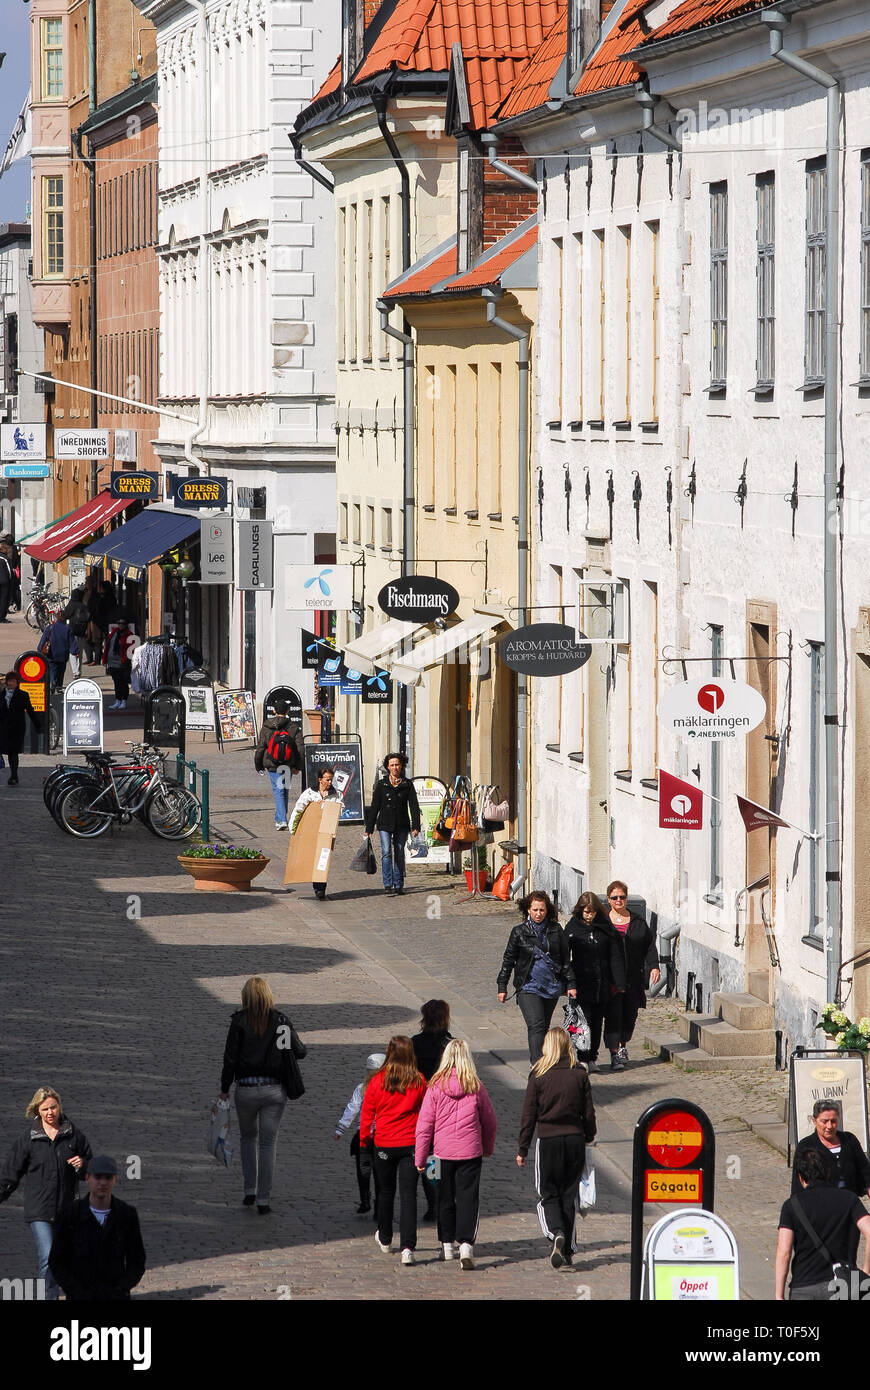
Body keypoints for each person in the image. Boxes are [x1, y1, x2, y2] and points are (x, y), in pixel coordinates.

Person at [219, 976, 307, 1214]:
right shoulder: (280, 1021)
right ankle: (263, 1199)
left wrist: (224, 1088)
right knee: (268, 1144)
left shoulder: (239, 1022)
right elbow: (300, 1051)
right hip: (273, 1090)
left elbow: (230, 1059)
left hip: (246, 1090)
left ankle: (249, 1189)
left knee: (248, 1138)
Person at [0, 1085, 92, 1300]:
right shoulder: (28, 1140)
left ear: (59, 1106)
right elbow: (10, 1174)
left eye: (53, 1107)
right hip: (40, 1209)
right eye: (45, 1109)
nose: (50, 1113)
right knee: (48, 1257)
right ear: (37, 1111)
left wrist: (83, 1165)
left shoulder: (73, 1135)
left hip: (68, 1209)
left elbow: (91, 1169)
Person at [516, 1028, 597, 1269]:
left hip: (548, 1140)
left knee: (548, 1194)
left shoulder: (538, 1074)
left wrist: (523, 1148)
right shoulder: (580, 1074)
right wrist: (589, 1137)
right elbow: (589, 1112)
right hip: (574, 1139)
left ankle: (556, 1231)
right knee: (568, 1196)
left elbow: (528, 1115)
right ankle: (569, 1251)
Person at [414, 1039, 497, 1270]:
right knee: (469, 1198)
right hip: (470, 1153)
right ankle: (466, 1244)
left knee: (443, 1197)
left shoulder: (434, 1087)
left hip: (439, 1154)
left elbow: (424, 1126)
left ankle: (446, 1243)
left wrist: (420, 1158)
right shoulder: (476, 1086)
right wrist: (487, 1147)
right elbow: (490, 1122)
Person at [359, 1036, 427, 1265]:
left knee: (385, 1192)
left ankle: (386, 1237)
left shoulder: (378, 1081)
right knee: (409, 1196)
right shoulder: (418, 1081)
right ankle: (408, 1247)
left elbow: (367, 1115)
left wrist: (364, 1141)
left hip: (385, 1144)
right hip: (411, 1144)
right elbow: (426, 1114)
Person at [49, 1155, 146, 1301]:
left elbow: (137, 1259)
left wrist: (123, 1287)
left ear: (115, 1180)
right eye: (98, 1177)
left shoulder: (126, 1214)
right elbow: (57, 1259)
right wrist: (73, 1289)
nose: (103, 1183)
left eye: (108, 1178)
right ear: (88, 1178)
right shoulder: (71, 1214)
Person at [776, 1149, 870, 1300]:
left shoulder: (791, 1206)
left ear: (800, 1177)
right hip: (842, 1286)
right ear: (828, 1172)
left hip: (804, 1287)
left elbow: (784, 1252)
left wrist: (778, 1294)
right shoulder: (849, 1199)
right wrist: (866, 1270)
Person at [497, 890, 577, 1063]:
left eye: (541, 910)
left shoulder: (556, 930)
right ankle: (537, 1064)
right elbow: (508, 959)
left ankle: (544, 1062)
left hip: (551, 985)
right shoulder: (519, 932)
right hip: (528, 985)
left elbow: (565, 959)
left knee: (544, 1026)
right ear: (528, 910)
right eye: (535, 910)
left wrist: (571, 984)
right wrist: (502, 986)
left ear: (547, 910)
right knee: (536, 1025)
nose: (538, 914)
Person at [565, 891, 626, 1073]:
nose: (589, 916)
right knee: (582, 1022)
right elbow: (564, 957)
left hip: (602, 983)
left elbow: (615, 955)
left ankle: (593, 1057)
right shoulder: (573, 928)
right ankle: (582, 1057)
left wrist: (619, 982)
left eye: (592, 912)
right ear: (580, 911)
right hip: (581, 982)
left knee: (597, 1022)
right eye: (586, 912)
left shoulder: (604, 928)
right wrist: (569, 983)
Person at [602, 880, 660, 1071]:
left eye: (622, 897)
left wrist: (654, 966)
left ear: (626, 898)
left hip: (633, 977)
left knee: (629, 1015)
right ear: (608, 899)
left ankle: (623, 1045)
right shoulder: (602, 922)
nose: (619, 900)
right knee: (613, 1015)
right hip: (610, 979)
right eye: (614, 897)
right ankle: (614, 1053)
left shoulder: (637, 922)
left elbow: (649, 946)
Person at [791, 1101, 870, 1220]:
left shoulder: (849, 1140)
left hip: (849, 1205)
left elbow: (865, 1172)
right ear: (814, 1120)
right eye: (824, 1121)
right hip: (820, 1207)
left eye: (833, 1121)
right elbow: (798, 1183)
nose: (829, 1126)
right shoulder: (806, 1146)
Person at [412, 999, 454, 1220]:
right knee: (445, 1156)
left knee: (430, 1157)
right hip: (448, 1108)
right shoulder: (452, 1045)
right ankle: (444, 1199)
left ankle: (434, 1202)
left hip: (423, 1108)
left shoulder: (414, 1043)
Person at [334, 1051, 386, 1216]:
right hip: (382, 1137)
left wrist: (341, 1128)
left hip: (363, 1136)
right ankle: (379, 1204)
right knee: (380, 1173)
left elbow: (352, 1108)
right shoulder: (389, 1088)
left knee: (363, 1170)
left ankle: (365, 1200)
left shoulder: (361, 1089)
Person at [365, 752, 422, 896]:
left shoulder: (407, 784)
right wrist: (369, 827)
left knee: (399, 852)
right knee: (385, 852)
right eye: (392, 765)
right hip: (384, 823)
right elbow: (375, 806)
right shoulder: (382, 784)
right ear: (387, 767)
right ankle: (387, 884)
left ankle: (398, 884)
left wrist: (416, 825)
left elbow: (414, 806)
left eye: (397, 764)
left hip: (401, 824)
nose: (395, 767)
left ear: (401, 766)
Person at [289, 765, 342, 900]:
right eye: (327, 780)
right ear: (320, 780)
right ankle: (316, 886)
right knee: (313, 858)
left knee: (323, 858)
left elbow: (339, 809)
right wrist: (293, 828)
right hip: (311, 830)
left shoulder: (336, 794)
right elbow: (299, 808)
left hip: (327, 831)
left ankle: (321, 888)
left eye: (331, 780)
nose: (329, 783)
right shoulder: (310, 793)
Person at [254, 698, 305, 830]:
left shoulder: (266, 727)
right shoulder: (293, 727)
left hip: (272, 763)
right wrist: (298, 766)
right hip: (288, 764)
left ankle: (281, 820)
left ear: (274, 710)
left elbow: (260, 747)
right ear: (288, 711)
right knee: (284, 790)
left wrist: (258, 765)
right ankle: (280, 817)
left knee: (278, 790)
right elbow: (300, 748)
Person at [0, 670, 42, 786]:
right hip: (3, 728)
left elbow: (30, 711)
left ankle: (14, 775)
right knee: (7, 751)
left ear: (17, 682)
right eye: (9, 681)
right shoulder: (1, 695)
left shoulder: (23, 695)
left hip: (16, 729)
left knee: (13, 752)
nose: (11, 683)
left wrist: (37, 725)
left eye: (13, 681)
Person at [38, 611, 79, 692]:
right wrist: (75, 651)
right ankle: (59, 686)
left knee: (52, 669)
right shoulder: (67, 629)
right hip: (63, 654)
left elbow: (43, 640)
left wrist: (39, 649)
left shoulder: (50, 627)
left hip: (51, 653)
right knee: (61, 670)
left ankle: (53, 682)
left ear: (56, 618)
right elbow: (72, 642)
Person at [103, 617, 134, 711]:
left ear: (126, 625)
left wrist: (125, 660)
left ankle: (124, 700)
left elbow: (131, 650)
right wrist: (104, 659)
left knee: (123, 682)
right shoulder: (114, 632)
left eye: (122, 623)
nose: (120, 625)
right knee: (116, 682)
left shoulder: (130, 635)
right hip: (112, 661)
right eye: (119, 623)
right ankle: (117, 700)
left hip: (123, 662)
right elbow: (108, 646)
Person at [61, 588, 91, 678]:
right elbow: (89, 619)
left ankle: (75, 672)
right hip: (82, 632)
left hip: (72, 632)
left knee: (73, 652)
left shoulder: (71, 605)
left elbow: (66, 615)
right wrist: (88, 632)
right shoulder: (83, 606)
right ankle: (79, 670)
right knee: (80, 653)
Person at [0, 544, 12, 622]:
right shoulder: (5, 558)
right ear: (3, 549)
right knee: (4, 599)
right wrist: (10, 580)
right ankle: (1, 617)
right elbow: (9, 571)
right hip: (4, 582)